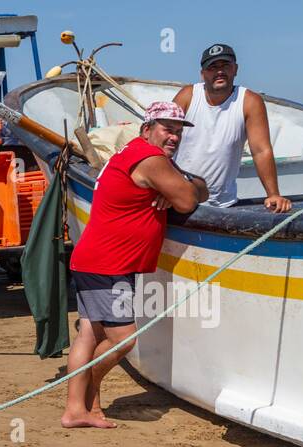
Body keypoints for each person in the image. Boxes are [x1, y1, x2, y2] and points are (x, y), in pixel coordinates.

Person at [62, 103, 208, 429]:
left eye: (179, 131)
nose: (174, 136)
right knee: (125, 340)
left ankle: (77, 409)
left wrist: (177, 190)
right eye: (167, 129)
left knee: (89, 334)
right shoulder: (151, 159)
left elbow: (198, 187)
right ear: (147, 130)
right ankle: (88, 393)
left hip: (95, 259)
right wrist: (178, 192)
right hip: (109, 264)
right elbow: (189, 199)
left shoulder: (134, 153)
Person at [172, 44, 291, 212]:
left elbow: (261, 150)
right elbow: (162, 139)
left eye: (225, 65)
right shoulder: (187, 96)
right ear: (203, 74)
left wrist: (273, 194)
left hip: (223, 204)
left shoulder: (250, 101)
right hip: (179, 198)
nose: (219, 71)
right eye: (212, 67)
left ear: (235, 69)